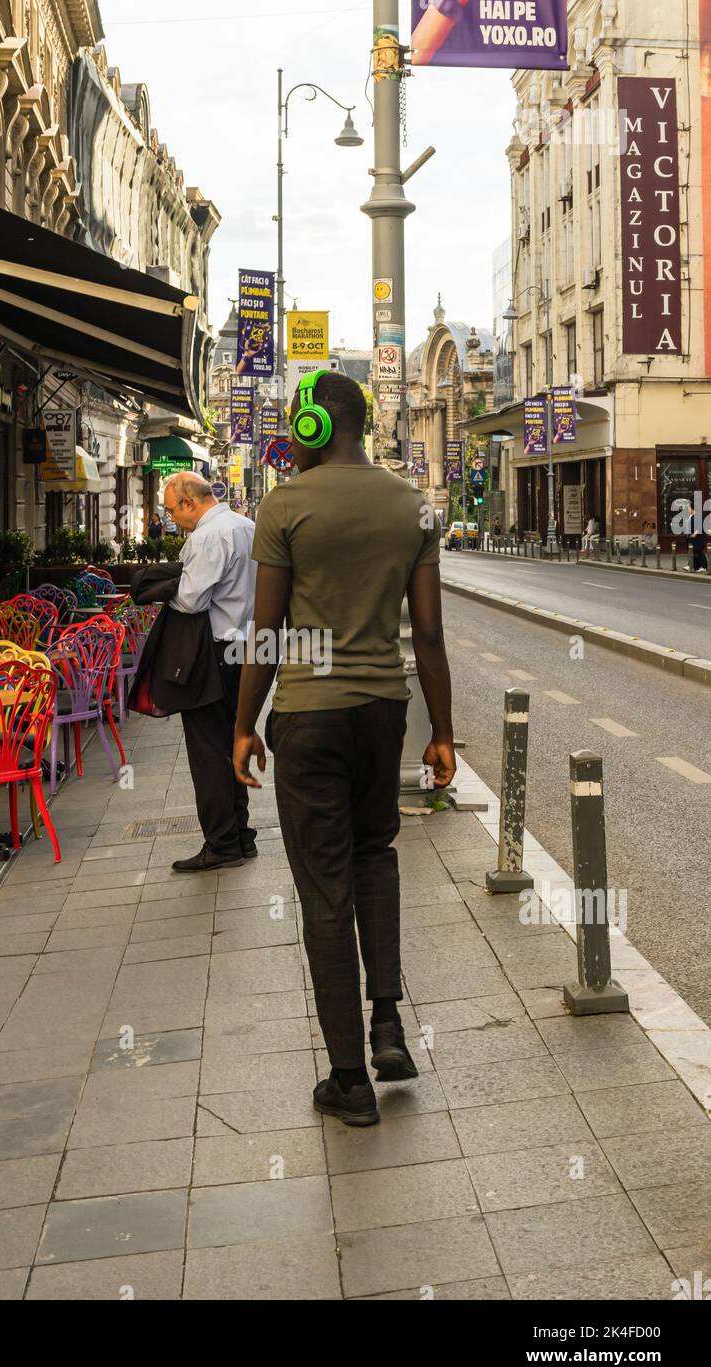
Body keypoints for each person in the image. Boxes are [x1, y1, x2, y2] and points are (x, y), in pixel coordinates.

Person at [233, 372, 456, 1127]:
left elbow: (265, 633)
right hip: (383, 713)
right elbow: (426, 632)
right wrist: (444, 734)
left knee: (324, 890)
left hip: (310, 715)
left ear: (311, 429)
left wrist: (242, 724)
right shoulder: (412, 506)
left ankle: (350, 1081)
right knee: (375, 857)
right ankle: (388, 1022)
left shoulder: (284, 505)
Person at [163, 472, 257, 873]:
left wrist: (164, 585)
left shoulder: (207, 535)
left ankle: (222, 844)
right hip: (249, 648)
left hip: (215, 651)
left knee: (208, 752)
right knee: (236, 738)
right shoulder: (247, 526)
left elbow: (189, 600)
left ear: (189, 503)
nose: (171, 519)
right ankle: (242, 836)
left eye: (171, 510)